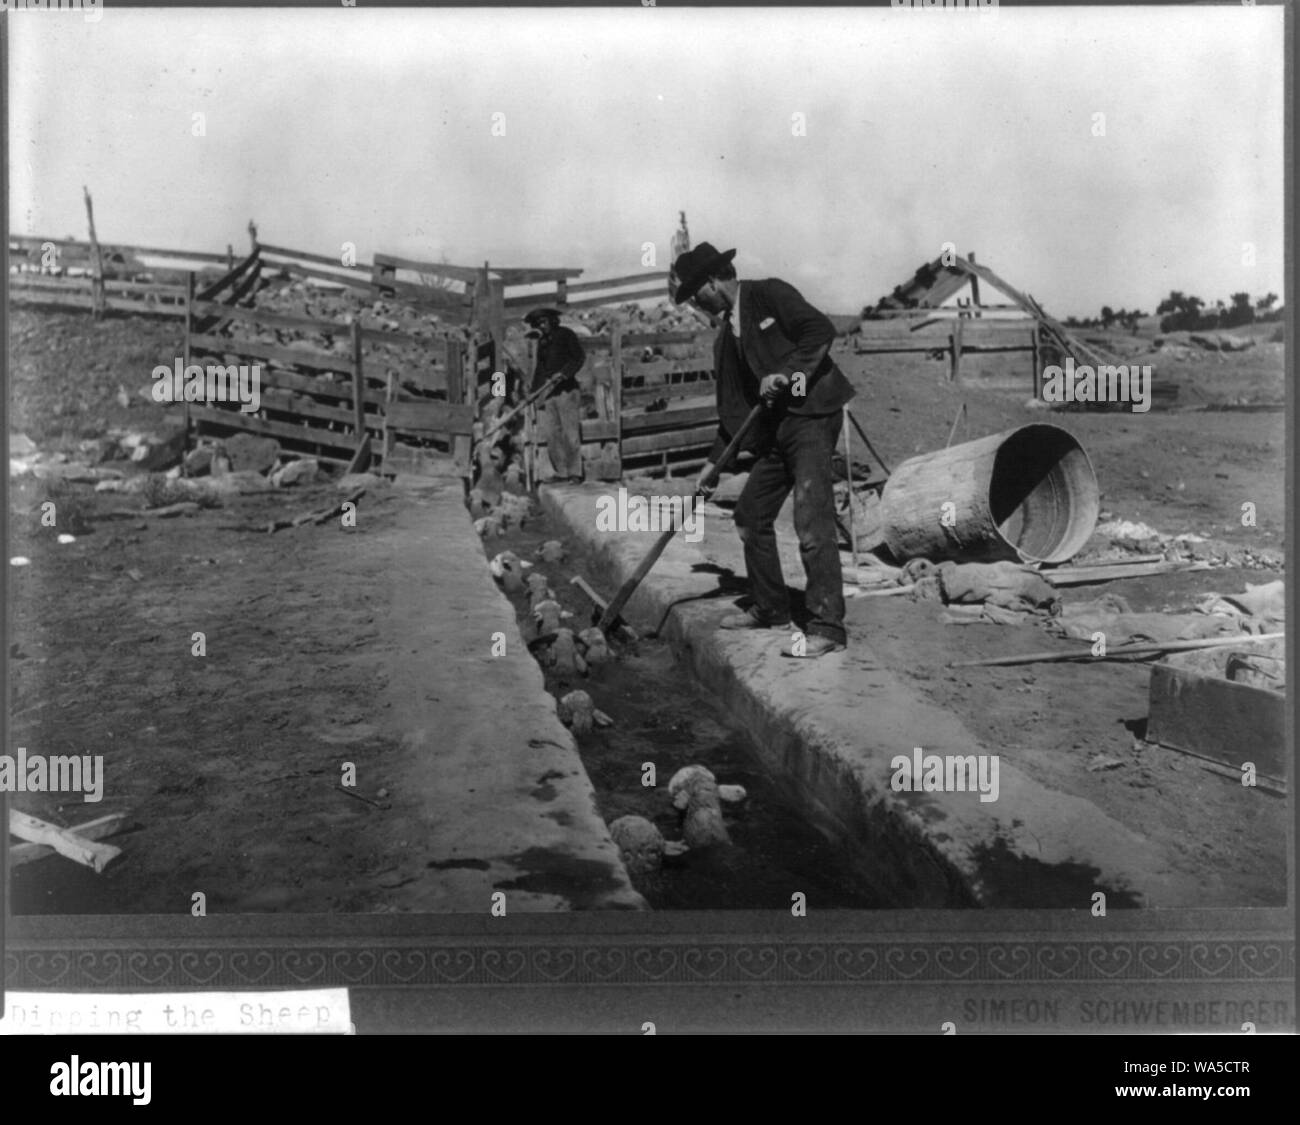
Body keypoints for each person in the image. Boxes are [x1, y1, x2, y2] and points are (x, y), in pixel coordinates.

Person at [672, 242, 855, 659]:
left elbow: (819, 330)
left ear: (715, 282)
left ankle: (827, 627)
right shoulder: (725, 340)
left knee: (811, 522)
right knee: (750, 516)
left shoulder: (769, 294)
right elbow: (734, 413)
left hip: (812, 416)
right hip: (777, 431)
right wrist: (711, 466)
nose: (697, 303)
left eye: (697, 293)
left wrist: (788, 375)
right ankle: (771, 607)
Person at [524, 307, 586, 482]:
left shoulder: (566, 335)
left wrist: (564, 373)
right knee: (552, 434)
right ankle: (561, 472)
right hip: (549, 392)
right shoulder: (542, 343)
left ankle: (575, 472)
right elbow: (540, 370)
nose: (542, 326)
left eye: (544, 322)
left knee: (570, 433)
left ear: (552, 321)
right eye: (538, 324)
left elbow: (579, 358)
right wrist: (533, 393)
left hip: (567, 390)